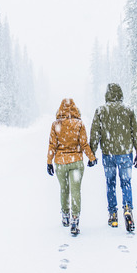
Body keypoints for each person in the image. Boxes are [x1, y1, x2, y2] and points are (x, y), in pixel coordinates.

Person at [89, 83, 137, 232]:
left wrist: (92, 153)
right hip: (125, 153)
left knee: (110, 183)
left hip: (108, 153)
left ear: (107, 94)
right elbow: (135, 131)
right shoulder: (128, 110)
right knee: (126, 182)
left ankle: (113, 214)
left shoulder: (101, 111)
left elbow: (95, 133)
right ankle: (127, 208)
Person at [47, 98, 97, 235]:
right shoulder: (79, 124)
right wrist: (92, 158)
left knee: (64, 189)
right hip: (76, 161)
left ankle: (65, 216)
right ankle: (75, 218)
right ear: (75, 109)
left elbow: (52, 145)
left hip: (60, 162)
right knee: (76, 191)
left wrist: (49, 162)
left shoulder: (56, 124)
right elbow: (84, 144)